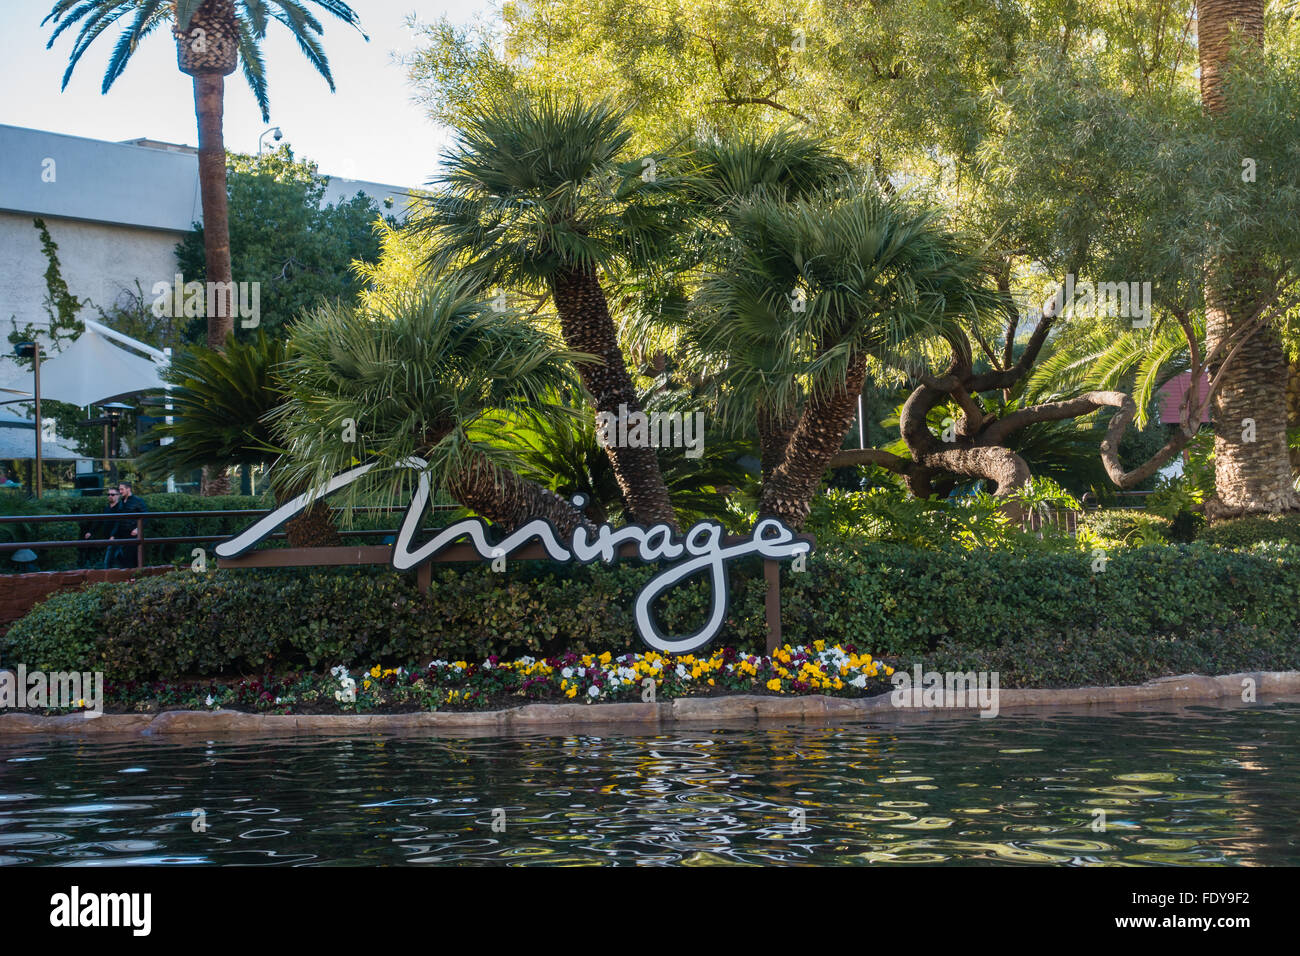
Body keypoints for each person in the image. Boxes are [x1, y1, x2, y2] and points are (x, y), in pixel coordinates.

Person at [108, 480, 147, 569]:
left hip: (133, 534)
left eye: (122, 489)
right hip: (122, 535)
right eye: (119, 489)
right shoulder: (121, 502)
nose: (120, 491)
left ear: (128, 489)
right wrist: (113, 534)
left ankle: (134, 578)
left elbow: (145, 516)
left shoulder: (138, 501)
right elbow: (118, 519)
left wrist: (138, 529)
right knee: (119, 557)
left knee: (131, 559)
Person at [85, 487, 120, 568]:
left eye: (112, 494)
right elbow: (99, 520)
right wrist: (90, 532)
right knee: (113, 561)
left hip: (117, 538)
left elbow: (119, 523)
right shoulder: (107, 508)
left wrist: (114, 535)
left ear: (118, 496)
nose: (110, 496)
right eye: (108, 494)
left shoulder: (120, 508)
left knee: (108, 562)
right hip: (108, 538)